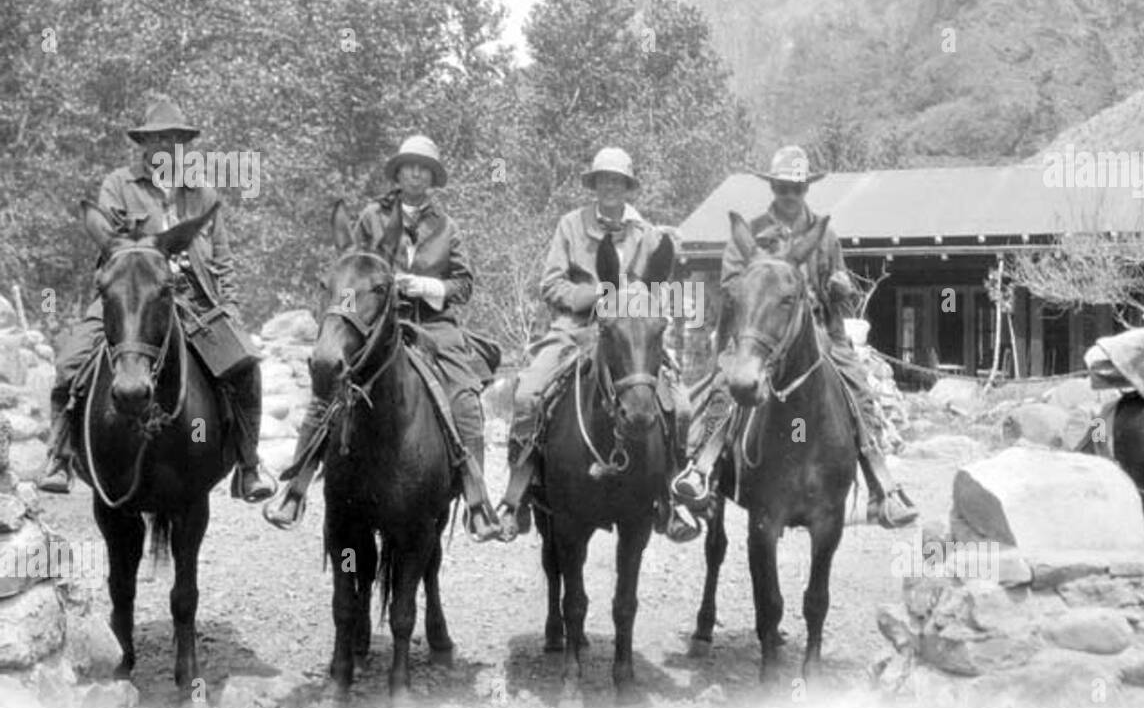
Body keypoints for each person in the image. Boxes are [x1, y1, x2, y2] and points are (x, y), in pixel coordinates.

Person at [37, 99, 274, 502]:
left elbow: (223, 260)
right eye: (157, 139)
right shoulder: (119, 185)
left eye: (175, 139)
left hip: (194, 301)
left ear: (185, 146)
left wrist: (229, 309)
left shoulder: (203, 195)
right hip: (131, 297)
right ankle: (59, 454)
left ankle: (249, 464)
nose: (166, 146)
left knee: (245, 367)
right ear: (144, 145)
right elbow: (110, 245)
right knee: (69, 362)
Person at [263, 135, 500, 538]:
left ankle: (477, 496)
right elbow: (354, 265)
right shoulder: (373, 215)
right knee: (331, 382)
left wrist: (422, 286)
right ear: (398, 171)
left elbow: (463, 285)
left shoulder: (447, 227)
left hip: (431, 324)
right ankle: (297, 485)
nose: (416, 174)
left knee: (463, 395)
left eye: (424, 169)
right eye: (410, 166)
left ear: (432, 177)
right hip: (373, 321)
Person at [670, 145, 918, 528]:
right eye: (783, 187)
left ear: (806, 190)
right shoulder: (749, 233)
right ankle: (703, 469)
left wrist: (839, 286)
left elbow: (841, 281)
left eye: (796, 188)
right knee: (723, 386)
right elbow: (731, 286)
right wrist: (761, 289)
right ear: (773, 188)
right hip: (760, 331)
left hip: (817, 330)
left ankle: (881, 484)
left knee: (857, 388)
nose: (789, 195)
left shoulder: (825, 233)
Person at [494, 147, 696, 542]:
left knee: (682, 404)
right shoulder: (570, 225)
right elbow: (550, 284)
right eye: (603, 180)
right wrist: (595, 296)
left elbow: (659, 282)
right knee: (528, 394)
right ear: (594, 185)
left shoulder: (646, 233)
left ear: (627, 187)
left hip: (631, 333)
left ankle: (671, 499)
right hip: (575, 329)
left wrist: (669, 257)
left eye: (617, 181)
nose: (610, 187)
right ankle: (518, 493)